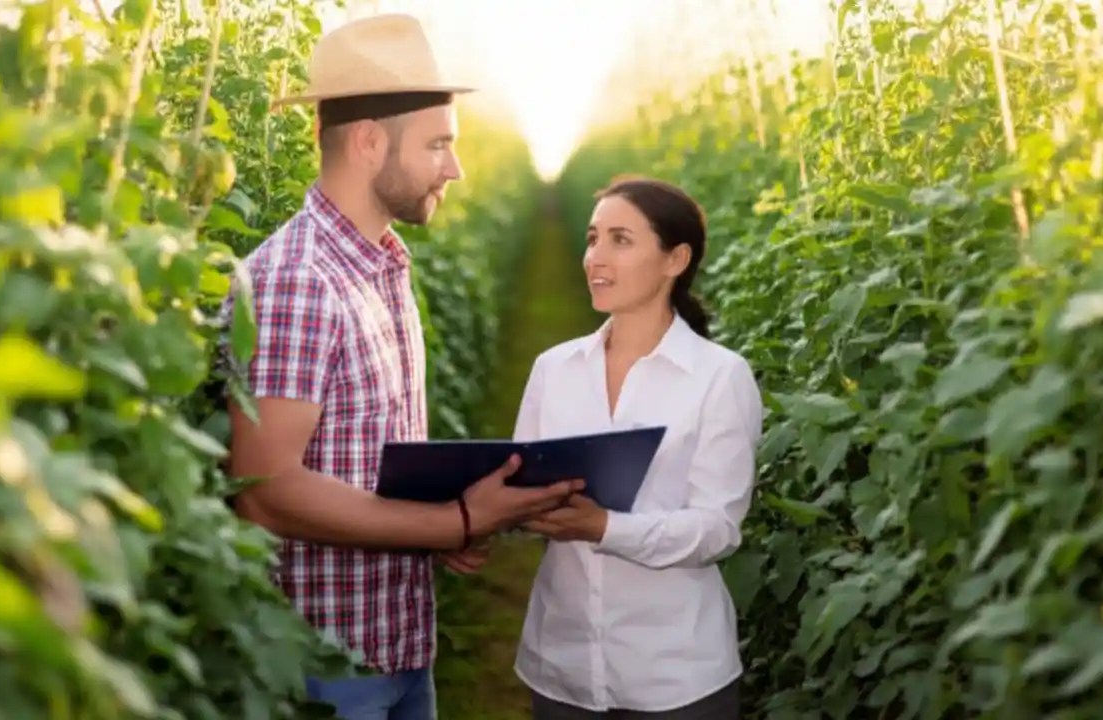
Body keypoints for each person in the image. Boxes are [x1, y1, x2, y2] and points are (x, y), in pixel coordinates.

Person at [221, 14, 581, 720]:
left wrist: (442, 522)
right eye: (439, 144)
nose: (456, 167)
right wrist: (451, 521)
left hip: (396, 639)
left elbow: (358, 459)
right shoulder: (299, 280)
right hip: (327, 664)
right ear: (367, 143)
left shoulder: (379, 265)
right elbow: (266, 489)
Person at [511, 177, 764, 719]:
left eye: (620, 240)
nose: (595, 257)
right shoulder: (553, 370)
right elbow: (521, 486)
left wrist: (604, 527)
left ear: (676, 258)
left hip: (677, 676)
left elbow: (718, 528)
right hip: (562, 667)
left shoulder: (719, 377)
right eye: (592, 237)